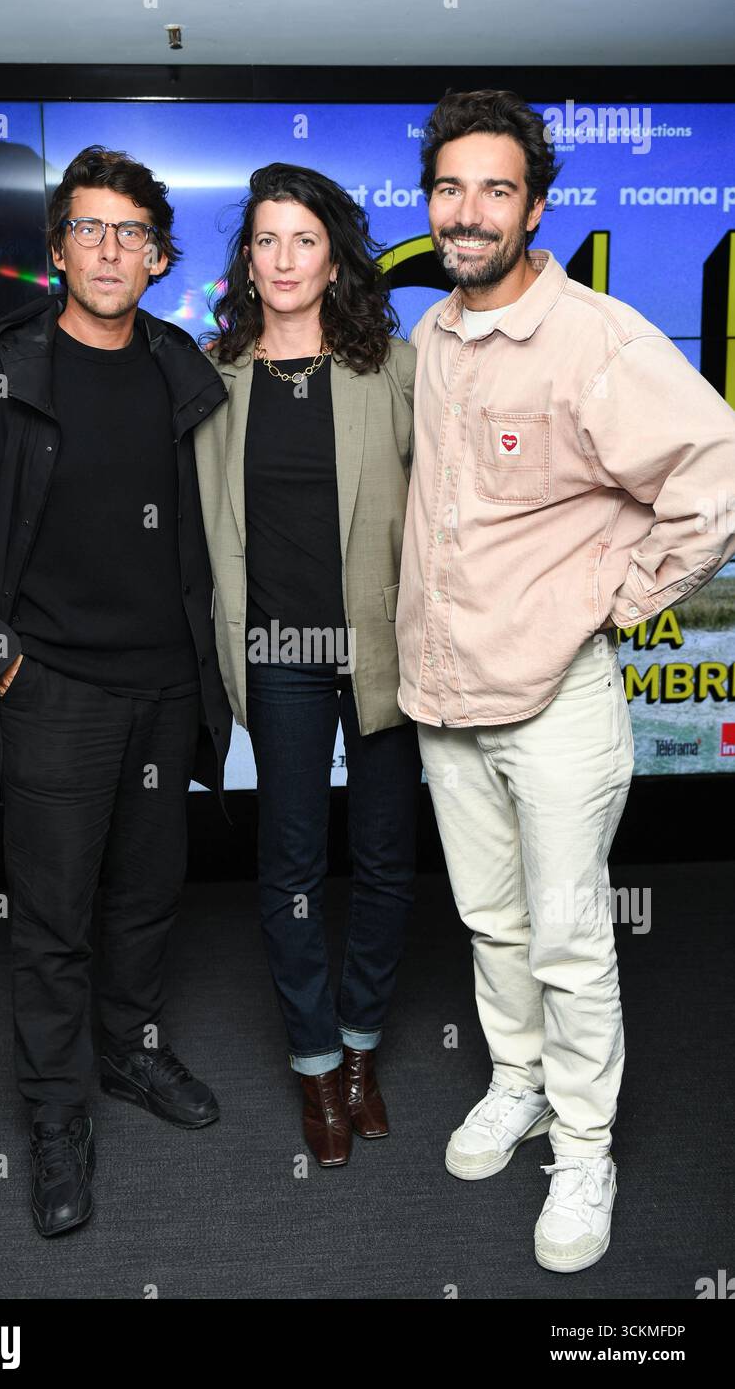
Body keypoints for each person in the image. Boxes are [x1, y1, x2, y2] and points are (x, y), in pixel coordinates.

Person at [396, 89, 735, 1271]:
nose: (469, 210)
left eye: (496, 188)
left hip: (553, 702)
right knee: (491, 925)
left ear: (534, 206)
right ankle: (517, 1083)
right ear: (429, 201)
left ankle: (582, 1147)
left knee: (568, 940)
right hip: (444, 703)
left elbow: (713, 470)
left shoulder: (594, 338)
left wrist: (613, 596)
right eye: (450, 187)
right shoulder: (431, 336)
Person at [0, 146, 232, 1237]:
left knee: (145, 894)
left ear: (159, 254)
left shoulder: (183, 365)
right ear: (56, 250)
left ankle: (128, 1053)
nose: (110, 249)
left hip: (166, 692)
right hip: (52, 693)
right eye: (89, 228)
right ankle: (52, 1117)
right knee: (50, 923)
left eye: (131, 231)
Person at [195, 163, 421, 1167]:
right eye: (264, 241)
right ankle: (316, 1063)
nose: (282, 260)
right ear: (246, 259)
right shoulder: (214, 376)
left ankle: (364, 1047)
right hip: (279, 651)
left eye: (302, 240)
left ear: (333, 259)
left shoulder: (395, 371)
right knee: (288, 867)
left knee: (382, 858)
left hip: (380, 645)